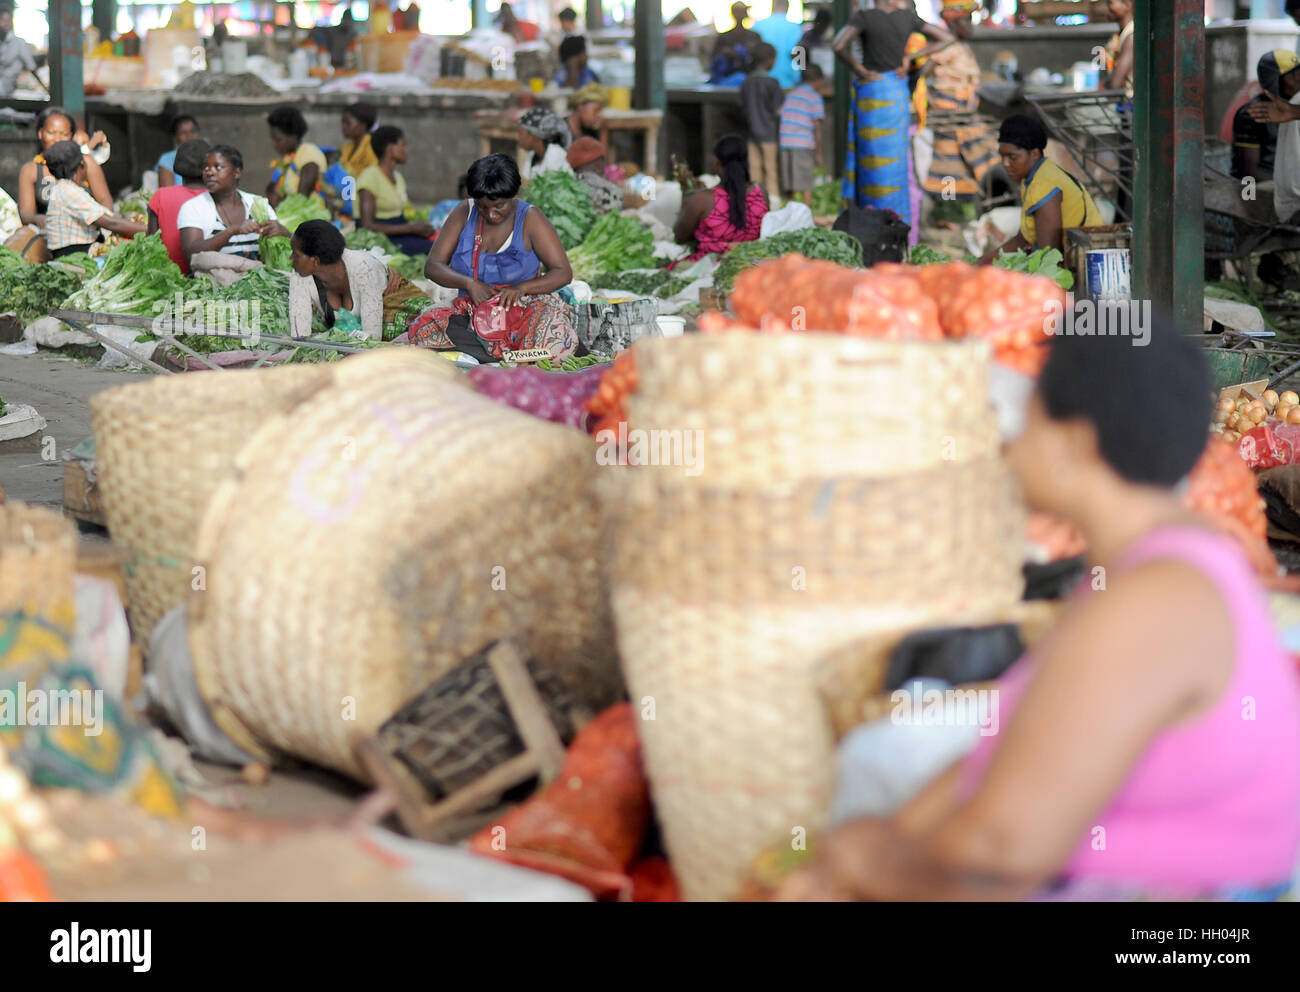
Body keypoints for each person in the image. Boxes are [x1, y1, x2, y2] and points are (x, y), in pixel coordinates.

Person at [777, 316, 1300, 903]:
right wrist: (887, 838)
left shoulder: (1153, 603)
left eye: (1028, 415)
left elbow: (1000, 855)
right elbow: (1007, 746)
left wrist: (862, 863)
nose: (1011, 437)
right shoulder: (1159, 561)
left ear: (1074, 443)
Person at [405, 153, 577, 360]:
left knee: (548, 348)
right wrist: (470, 284)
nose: (491, 215)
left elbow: (563, 272)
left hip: (524, 310)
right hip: (474, 313)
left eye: (499, 206)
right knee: (423, 330)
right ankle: (501, 356)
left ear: (514, 195)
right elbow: (433, 266)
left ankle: (492, 355)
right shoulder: (464, 212)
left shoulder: (531, 218)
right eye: (482, 206)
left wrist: (521, 289)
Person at [833, 0, 952, 225]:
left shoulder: (865, 17)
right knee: (896, 166)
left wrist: (858, 69)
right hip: (896, 96)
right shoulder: (907, 17)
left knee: (870, 163)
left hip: (872, 93)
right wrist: (909, 58)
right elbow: (947, 38)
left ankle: (869, 221)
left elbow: (838, 45)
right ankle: (896, 225)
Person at [978, 114, 1099, 263]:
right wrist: (982, 261)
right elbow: (1025, 238)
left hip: (1086, 264)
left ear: (1034, 154)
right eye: (1002, 157)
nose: (1005, 164)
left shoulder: (1045, 185)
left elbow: (1048, 256)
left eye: (1013, 157)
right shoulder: (1031, 179)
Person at [289, 219, 429, 341]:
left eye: (295, 255)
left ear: (315, 261)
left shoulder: (365, 269)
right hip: (357, 330)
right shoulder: (299, 275)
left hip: (393, 302)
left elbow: (372, 337)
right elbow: (300, 334)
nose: (291, 259)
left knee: (414, 329)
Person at [917, 2, 999, 203]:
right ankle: (948, 208)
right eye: (966, 21)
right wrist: (930, 102)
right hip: (951, 118)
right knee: (948, 166)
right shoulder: (946, 48)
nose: (970, 26)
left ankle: (959, 207)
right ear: (953, 23)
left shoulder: (961, 46)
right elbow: (920, 77)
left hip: (964, 115)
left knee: (965, 163)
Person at [178, 144, 289, 269]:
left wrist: (283, 232)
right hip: (215, 284)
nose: (209, 172)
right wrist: (231, 231)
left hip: (260, 283)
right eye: (206, 167)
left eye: (217, 167)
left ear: (236, 172)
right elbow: (191, 254)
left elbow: (286, 247)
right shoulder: (193, 207)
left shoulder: (257, 204)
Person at [672, 134, 770, 267]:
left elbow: (680, 237)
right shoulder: (761, 192)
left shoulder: (701, 200)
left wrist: (687, 199)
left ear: (716, 162)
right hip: (753, 261)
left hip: (710, 266)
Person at [41, 140, 145, 258]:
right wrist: (149, 231)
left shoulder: (62, 188)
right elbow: (112, 223)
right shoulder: (68, 191)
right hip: (77, 254)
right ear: (82, 165)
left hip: (72, 251)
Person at [17, 107, 112, 229]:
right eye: (51, 133)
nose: (57, 139)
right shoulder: (31, 169)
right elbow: (26, 214)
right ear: (40, 133)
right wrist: (38, 219)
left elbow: (106, 203)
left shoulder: (86, 163)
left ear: (72, 136)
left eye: (64, 134)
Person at [355, 125, 435, 257]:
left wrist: (417, 228)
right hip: (380, 239)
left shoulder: (398, 178)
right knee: (435, 251)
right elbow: (367, 226)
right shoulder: (369, 177)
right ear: (390, 148)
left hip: (399, 232)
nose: (405, 150)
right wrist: (411, 228)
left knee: (442, 243)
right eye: (402, 145)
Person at [1234, 50, 1300, 183]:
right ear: (1273, 81)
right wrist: (1288, 188)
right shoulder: (1253, 113)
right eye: (1292, 75)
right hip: (1264, 186)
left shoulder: (1296, 108)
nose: (1298, 78)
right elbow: (1250, 171)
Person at [148, 138, 210, 274]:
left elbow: (151, 246)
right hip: (207, 278)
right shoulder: (216, 198)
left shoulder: (161, 196)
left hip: (169, 278)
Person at [778, 65, 825, 209]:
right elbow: (817, 126)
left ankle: (790, 208)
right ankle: (807, 209)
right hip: (803, 142)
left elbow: (780, 114)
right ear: (817, 81)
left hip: (785, 141)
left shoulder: (791, 94)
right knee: (806, 181)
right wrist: (819, 153)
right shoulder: (815, 97)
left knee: (789, 179)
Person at [740, 43, 784, 197]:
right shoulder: (773, 83)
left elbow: (743, 105)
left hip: (752, 133)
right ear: (769, 60)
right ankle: (773, 201)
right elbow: (777, 110)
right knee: (771, 170)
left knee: (754, 171)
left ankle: (754, 202)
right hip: (769, 133)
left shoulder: (747, 82)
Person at [266, 106, 327, 208]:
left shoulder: (308, 153)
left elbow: (301, 198)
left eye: (278, 140)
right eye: (272, 139)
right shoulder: (288, 159)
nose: (274, 144)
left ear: (294, 136)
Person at [753, 0, 803, 90]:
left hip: (760, 82)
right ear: (787, 7)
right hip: (786, 82)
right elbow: (799, 54)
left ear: (772, 6)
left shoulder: (757, 25)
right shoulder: (794, 27)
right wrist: (799, 77)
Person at [568, 137, 625, 215]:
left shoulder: (567, 185)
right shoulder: (605, 188)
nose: (603, 164)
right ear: (597, 164)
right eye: (602, 160)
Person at [711, 1, 761, 84]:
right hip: (726, 81)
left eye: (742, 11)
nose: (740, 15)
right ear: (733, 14)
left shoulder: (754, 36)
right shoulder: (723, 37)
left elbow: (760, 59)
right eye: (738, 12)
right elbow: (714, 59)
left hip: (750, 80)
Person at [517, 107, 573, 180]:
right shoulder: (532, 155)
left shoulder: (555, 154)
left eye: (521, 133)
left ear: (535, 136)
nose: (518, 138)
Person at [0, 0, 36, 98]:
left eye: (8, 20)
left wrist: (46, 89)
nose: (6, 23)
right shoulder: (2, 43)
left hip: (8, 88)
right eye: (3, 20)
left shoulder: (18, 43)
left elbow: (32, 67)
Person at [155, 115, 200, 188]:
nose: (189, 136)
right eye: (183, 133)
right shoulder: (168, 159)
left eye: (192, 131)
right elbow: (168, 193)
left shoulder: (207, 156)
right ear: (175, 137)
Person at [1103, 0, 1134, 101]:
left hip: (1129, 104)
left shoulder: (1131, 36)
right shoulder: (1120, 35)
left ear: (1127, 5)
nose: (1106, 8)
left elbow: (1116, 84)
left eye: (1110, 3)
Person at [338, 102, 379, 177]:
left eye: (348, 123)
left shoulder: (372, 146)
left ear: (363, 125)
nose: (344, 127)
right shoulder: (347, 147)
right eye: (343, 123)